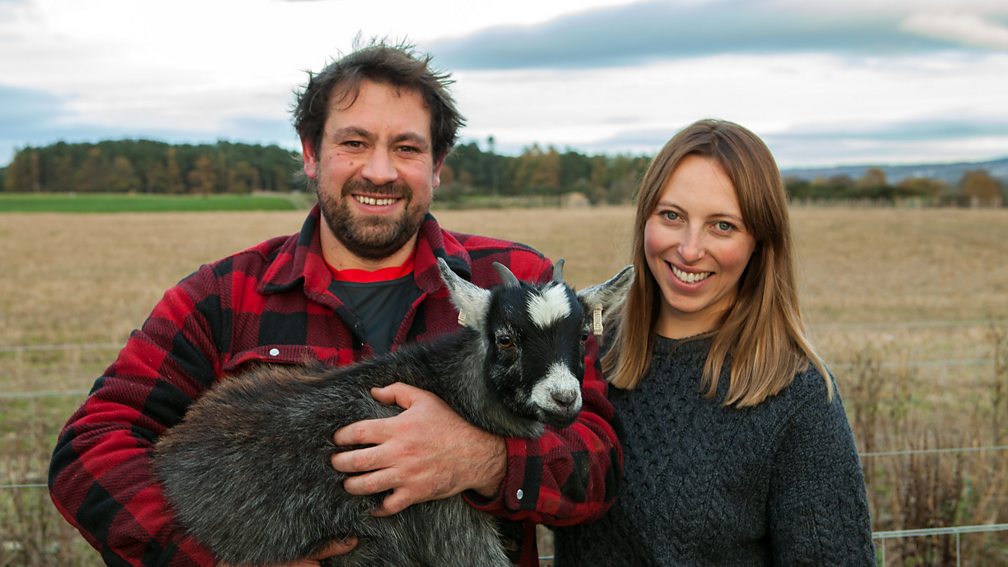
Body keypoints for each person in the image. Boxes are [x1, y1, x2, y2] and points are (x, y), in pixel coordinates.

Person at [48, 42, 620, 567]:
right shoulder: (222, 297)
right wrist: (208, 562)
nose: (379, 170)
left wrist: (485, 460)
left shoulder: (520, 286)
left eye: (406, 147)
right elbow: (90, 447)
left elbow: (600, 459)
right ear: (310, 154)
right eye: (354, 142)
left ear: (437, 165)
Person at [552, 119, 876, 565]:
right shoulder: (584, 349)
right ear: (644, 217)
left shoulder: (797, 400)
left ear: (759, 242)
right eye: (672, 216)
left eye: (722, 226)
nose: (688, 249)